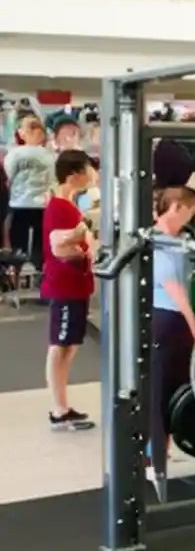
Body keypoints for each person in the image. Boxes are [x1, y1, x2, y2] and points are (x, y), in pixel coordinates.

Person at [42, 149, 98, 431]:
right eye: (87, 169)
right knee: (60, 346)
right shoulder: (59, 207)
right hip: (65, 284)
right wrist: (82, 232)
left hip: (77, 284)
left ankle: (62, 405)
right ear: (74, 173)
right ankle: (58, 408)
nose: (90, 175)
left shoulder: (69, 205)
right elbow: (58, 244)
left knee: (70, 346)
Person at [150, 186, 195, 452]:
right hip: (168, 319)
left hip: (175, 319)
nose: (191, 219)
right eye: (190, 213)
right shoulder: (156, 241)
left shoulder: (181, 240)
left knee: (175, 385)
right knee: (163, 387)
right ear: (176, 208)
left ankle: (163, 449)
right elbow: (176, 290)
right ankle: (155, 452)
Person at [5, 115, 56, 266]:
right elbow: (52, 178)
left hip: (19, 202)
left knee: (19, 235)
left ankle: (17, 266)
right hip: (42, 202)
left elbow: (9, 175)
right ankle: (39, 265)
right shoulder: (49, 155)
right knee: (41, 237)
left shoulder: (15, 154)